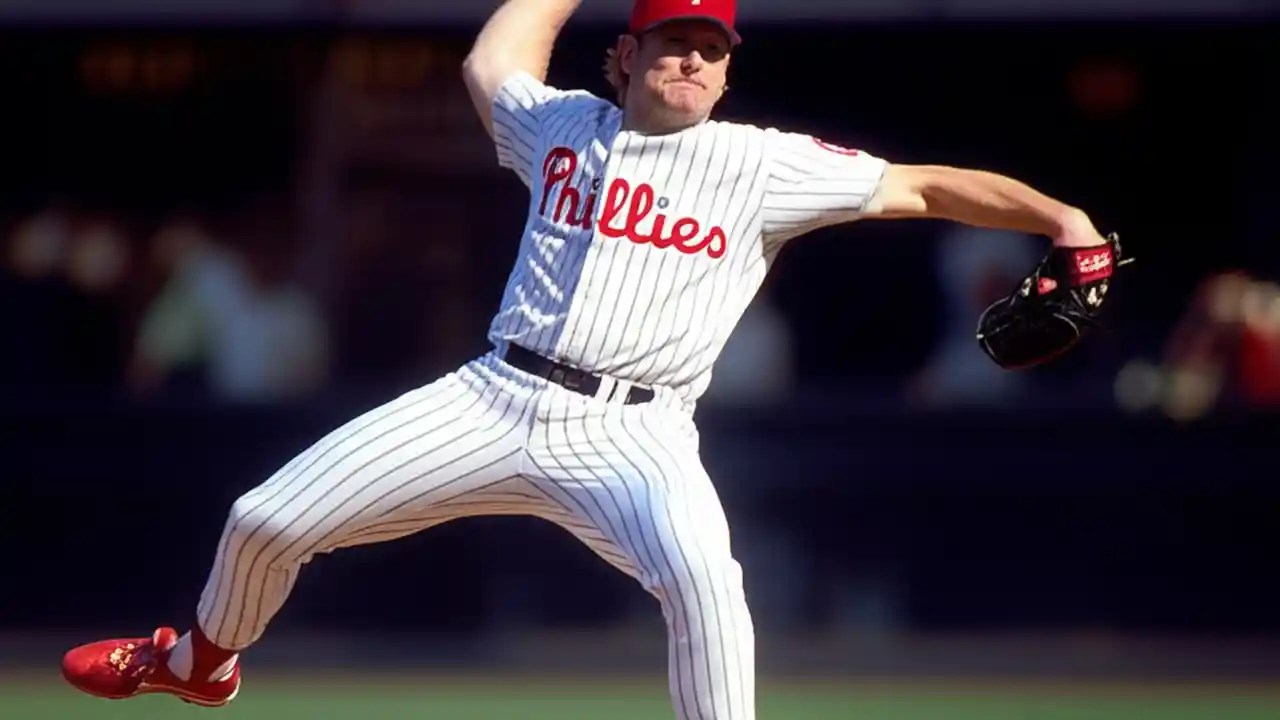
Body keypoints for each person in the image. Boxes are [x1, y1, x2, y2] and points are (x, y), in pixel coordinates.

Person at [60, 1, 1117, 717]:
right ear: (622, 58)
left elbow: (929, 187)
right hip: (494, 394)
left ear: (728, 69)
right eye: (668, 42)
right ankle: (198, 665)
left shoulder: (762, 166)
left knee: (706, 577)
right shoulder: (561, 126)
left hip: (635, 434)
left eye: (709, 47)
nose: (690, 60)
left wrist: (1063, 217)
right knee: (261, 520)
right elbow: (489, 62)